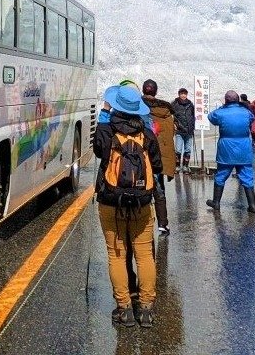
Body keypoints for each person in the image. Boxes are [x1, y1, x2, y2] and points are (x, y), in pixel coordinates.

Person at [94, 84, 164, 329]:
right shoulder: (146, 132)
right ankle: (146, 309)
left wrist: (104, 113)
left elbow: (98, 151)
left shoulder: (107, 130)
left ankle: (124, 309)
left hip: (110, 201)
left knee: (117, 254)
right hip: (142, 203)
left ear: (115, 105)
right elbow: (156, 166)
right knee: (144, 255)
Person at [205, 90, 255, 214]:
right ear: (238, 99)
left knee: (221, 175)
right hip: (244, 148)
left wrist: (223, 106)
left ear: (226, 100)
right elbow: (252, 119)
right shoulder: (246, 112)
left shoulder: (221, 112)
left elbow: (211, 117)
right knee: (247, 177)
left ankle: (216, 203)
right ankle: (253, 205)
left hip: (226, 148)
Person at [141, 79, 175, 235]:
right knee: (159, 189)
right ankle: (162, 224)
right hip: (157, 156)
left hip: (139, 154)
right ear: (155, 91)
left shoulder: (136, 107)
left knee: (138, 186)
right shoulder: (165, 111)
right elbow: (170, 134)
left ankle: (141, 222)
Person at [171, 88, 195, 174]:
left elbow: (193, 116)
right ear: (179, 94)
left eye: (185, 94)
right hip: (179, 131)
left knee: (188, 150)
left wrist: (193, 127)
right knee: (178, 149)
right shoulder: (174, 103)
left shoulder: (190, 104)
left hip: (189, 131)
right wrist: (173, 124)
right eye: (182, 93)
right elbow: (169, 115)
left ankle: (185, 166)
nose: (183, 95)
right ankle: (177, 166)